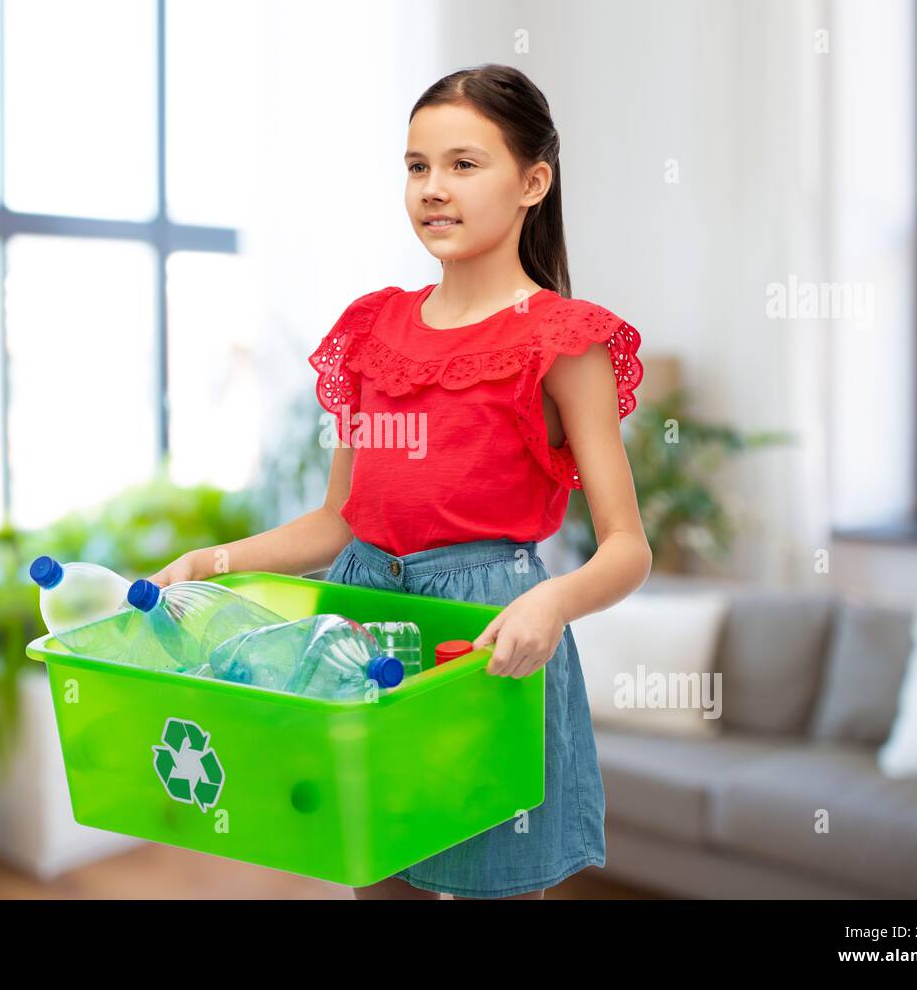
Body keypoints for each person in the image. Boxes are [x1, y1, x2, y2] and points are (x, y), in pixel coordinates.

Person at [147, 63, 650, 900]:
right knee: (371, 872)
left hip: (487, 643)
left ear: (533, 181)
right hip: (359, 627)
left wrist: (552, 602)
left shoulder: (566, 341)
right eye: (417, 167)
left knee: (494, 874)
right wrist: (215, 562)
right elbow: (338, 521)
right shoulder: (372, 329)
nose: (433, 190)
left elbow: (627, 546)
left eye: (463, 164)